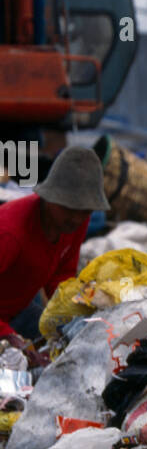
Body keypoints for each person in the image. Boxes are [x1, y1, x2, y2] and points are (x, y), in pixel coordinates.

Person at [0, 146, 109, 348]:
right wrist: (9, 337)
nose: (76, 218)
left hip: (18, 307)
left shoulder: (74, 223)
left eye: (84, 211)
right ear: (50, 198)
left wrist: (79, 304)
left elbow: (63, 274)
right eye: (69, 208)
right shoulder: (10, 233)